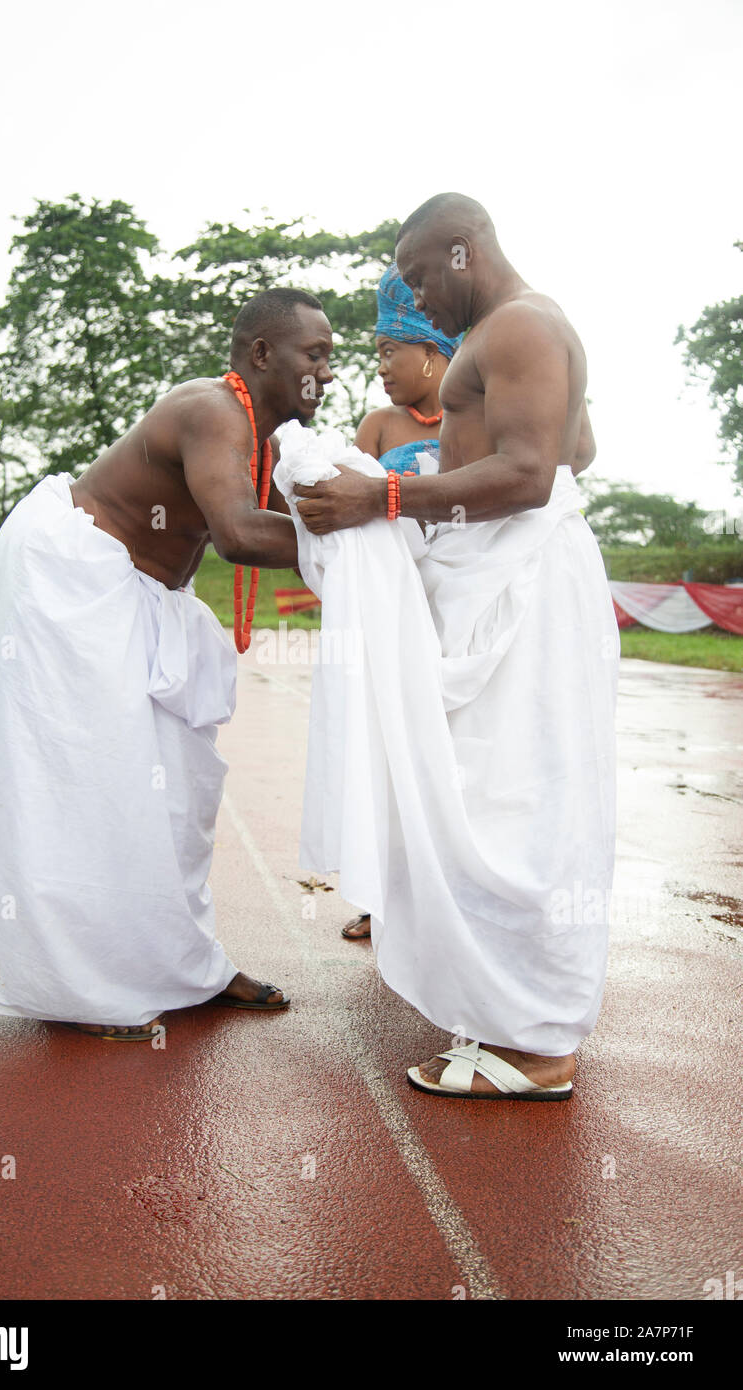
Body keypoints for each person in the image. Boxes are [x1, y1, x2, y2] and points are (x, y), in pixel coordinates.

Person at [0, 288, 334, 1039]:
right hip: (73, 585)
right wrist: (375, 545)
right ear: (260, 355)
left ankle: (186, 964)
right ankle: (79, 988)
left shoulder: (263, 431)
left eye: (330, 358)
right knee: (91, 790)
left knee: (178, 792)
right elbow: (238, 535)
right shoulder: (213, 411)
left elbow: (279, 520)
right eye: (314, 355)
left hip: (141, 600)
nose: (326, 371)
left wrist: (372, 521)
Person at [293, 193, 616, 1099]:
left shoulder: (515, 328)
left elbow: (530, 472)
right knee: (496, 791)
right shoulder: (525, 329)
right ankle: (519, 1008)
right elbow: (578, 447)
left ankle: (538, 1041)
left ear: (464, 251)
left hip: (525, 588)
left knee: (512, 797)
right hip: (515, 575)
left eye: (424, 275)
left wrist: (385, 500)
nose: (417, 298)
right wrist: (440, 470)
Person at [341, 265, 462, 941]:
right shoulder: (378, 426)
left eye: (391, 351)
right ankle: (381, 896)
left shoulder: (477, 418)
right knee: (392, 747)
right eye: (377, 353)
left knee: (457, 751)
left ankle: (450, 893)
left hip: (461, 607)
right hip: (395, 611)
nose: (381, 366)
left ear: (433, 352)